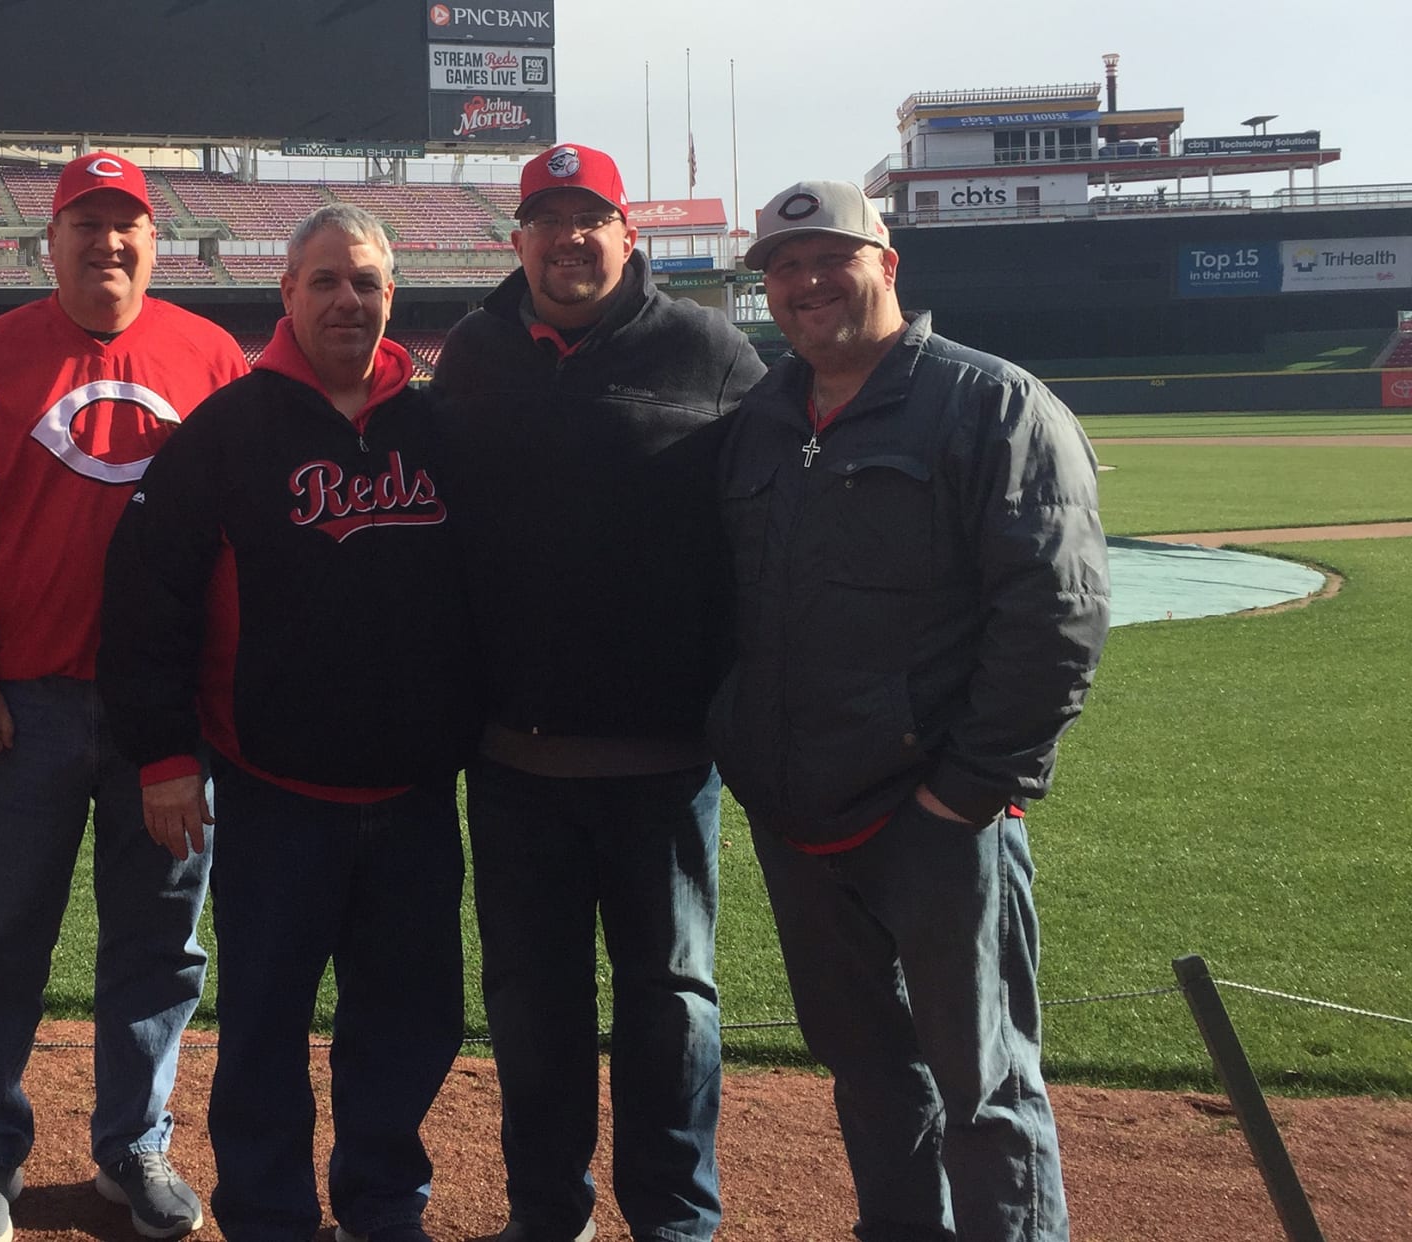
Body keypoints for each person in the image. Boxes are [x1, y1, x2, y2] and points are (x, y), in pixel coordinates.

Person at [713, 180, 1109, 1242]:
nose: (804, 283)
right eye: (782, 268)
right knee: (868, 1073)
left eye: (828, 257)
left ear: (887, 263)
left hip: (936, 819)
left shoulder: (993, 403)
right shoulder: (759, 418)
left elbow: (1055, 617)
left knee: (984, 1087)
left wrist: (968, 791)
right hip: (802, 817)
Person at [99, 205, 477, 1242]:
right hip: (273, 794)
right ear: (288, 296)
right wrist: (167, 755)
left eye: (364, 282)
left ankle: (383, 1204)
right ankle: (268, 1213)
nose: (347, 300)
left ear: (391, 295)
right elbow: (146, 601)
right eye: (325, 282)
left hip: (412, 799)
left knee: (406, 1024)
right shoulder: (227, 431)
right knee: (265, 1026)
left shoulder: (439, 429)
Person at [430, 143, 764, 1242]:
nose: (569, 238)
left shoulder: (709, 348)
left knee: (672, 1009)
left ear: (630, 235)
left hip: (664, 766)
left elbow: (776, 516)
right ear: (516, 237)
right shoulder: (473, 353)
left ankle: (674, 1220)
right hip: (514, 766)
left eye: (593, 218)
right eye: (546, 218)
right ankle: (545, 1213)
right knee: (532, 1011)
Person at [0, 151, 248, 1242]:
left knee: (159, 943)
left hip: (168, 718)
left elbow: (241, 547)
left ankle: (132, 1146)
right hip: (29, 701)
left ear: (155, 242)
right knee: (2, 938)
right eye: (85, 226)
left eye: (128, 227)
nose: (108, 244)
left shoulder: (209, 357)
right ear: (46, 241)